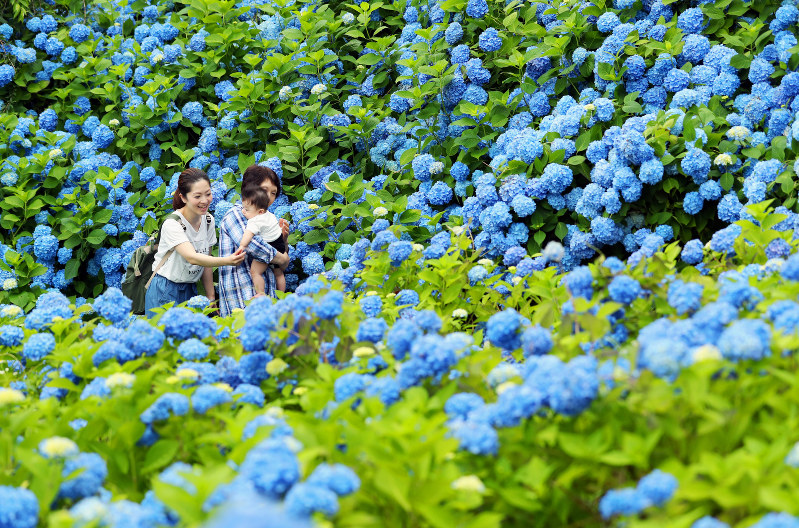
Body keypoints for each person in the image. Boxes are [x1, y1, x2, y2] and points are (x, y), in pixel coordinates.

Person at [144, 168, 246, 317]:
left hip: (190, 289)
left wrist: (211, 297)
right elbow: (191, 257)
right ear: (183, 197)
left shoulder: (208, 220)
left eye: (208, 194)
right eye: (197, 196)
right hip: (165, 289)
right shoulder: (173, 224)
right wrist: (228, 260)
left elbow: (207, 263)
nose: (204, 201)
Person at [218, 165, 290, 317]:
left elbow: (281, 264)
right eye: (264, 190)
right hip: (243, 297)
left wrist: (283, 240)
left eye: (274, 193)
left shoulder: (266, 217)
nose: (269, 197)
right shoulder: (236, 214)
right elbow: (254, 246)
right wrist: (282, 257)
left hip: (266, 297)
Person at [238, 185, 287, 295]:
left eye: (246, 210)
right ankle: (281, 295)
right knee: (278, 273)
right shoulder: (269, 214)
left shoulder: (255, 221)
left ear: (260, 211)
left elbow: (248, 235)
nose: (243, 211)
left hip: (269, 247)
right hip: (279, 243)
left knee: (255, 272)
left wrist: (242, 246)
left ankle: (260, 294)